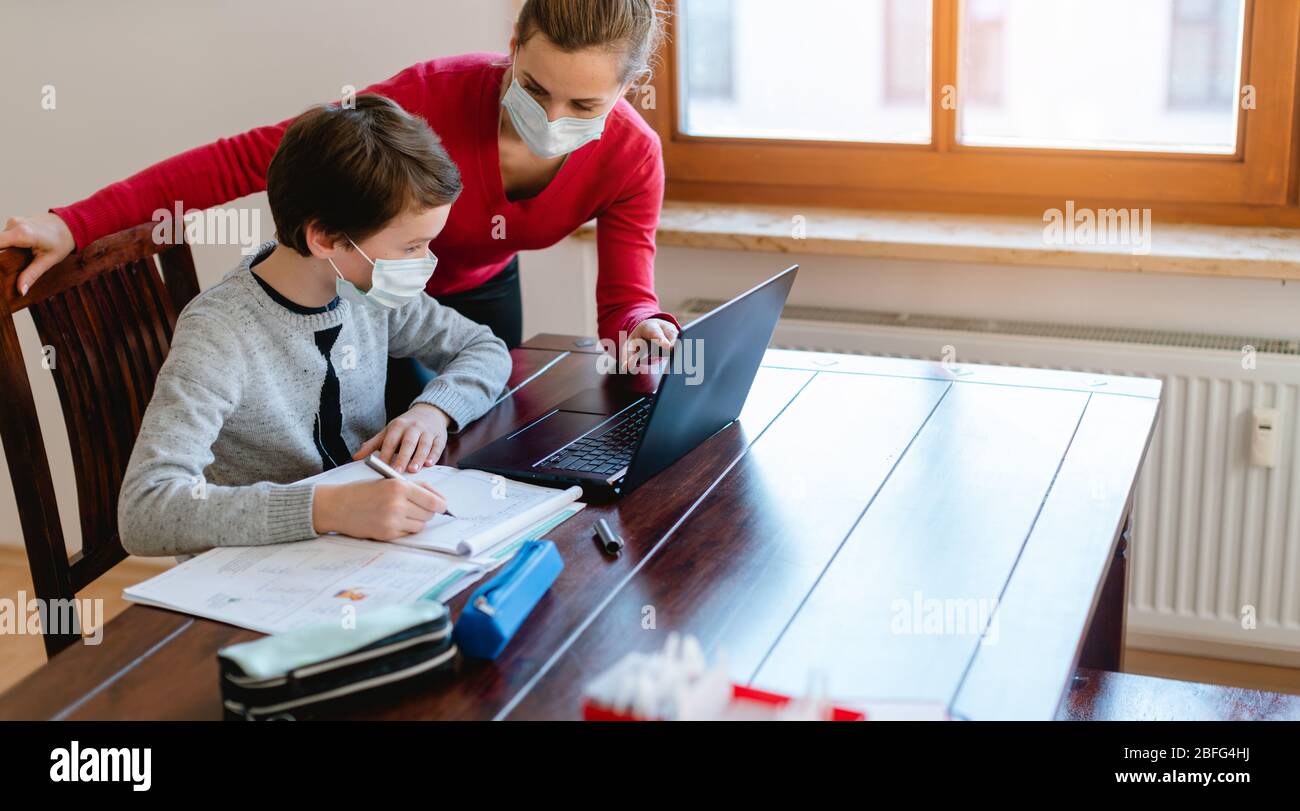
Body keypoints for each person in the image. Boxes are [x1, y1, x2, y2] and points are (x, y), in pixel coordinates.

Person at [1, 0, 680, 417]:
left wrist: (643, 331)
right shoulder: (426, 99)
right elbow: (241, 159)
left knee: (484, 439)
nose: (550, 118)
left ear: (629, 89)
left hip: (483, 292)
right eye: (532, 88)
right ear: (513, 49)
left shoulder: (633, 158)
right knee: (390, 448)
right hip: (369, 294)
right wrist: (77, 223)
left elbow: (626, 306)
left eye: (583, 105)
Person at [117, 95, 511, 557]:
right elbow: (145, 510)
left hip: (359, 547)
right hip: (257, 569)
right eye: (411, 247)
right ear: (325, 238)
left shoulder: (368, 292)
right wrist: (327, 508)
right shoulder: (220, 333)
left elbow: (483, 348)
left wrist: (433, 411)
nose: (426, 261)